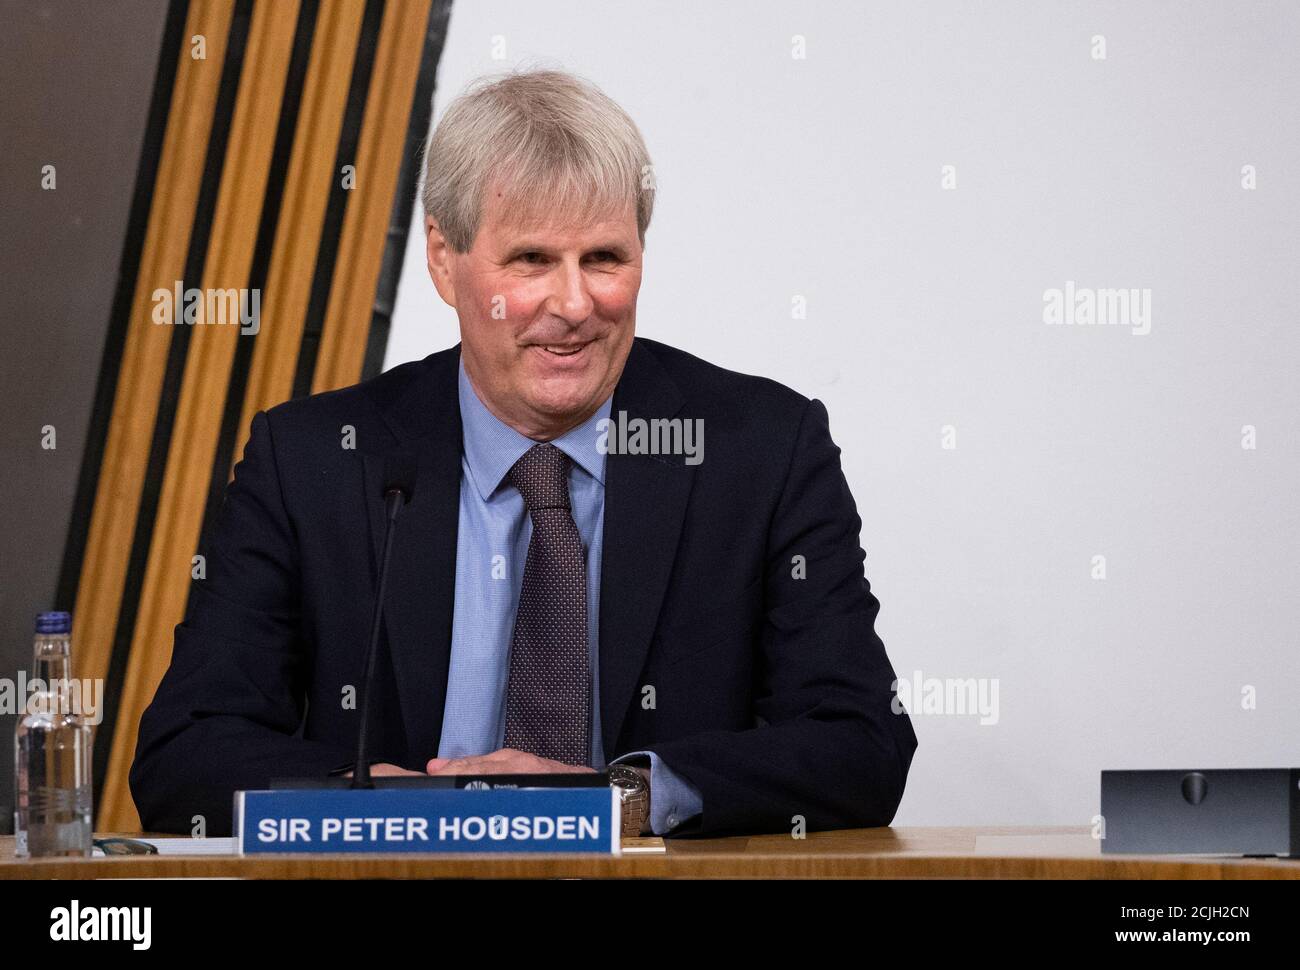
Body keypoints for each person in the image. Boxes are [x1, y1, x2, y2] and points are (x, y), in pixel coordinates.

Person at [130, 69, 917, 838]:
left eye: (604, 259)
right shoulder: (316, 461)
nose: (574, 306)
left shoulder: (762, 450)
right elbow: (185, 752)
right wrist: (361, 809)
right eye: (532, 261)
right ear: (443, 258)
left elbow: (861, 740)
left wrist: (624, 800)